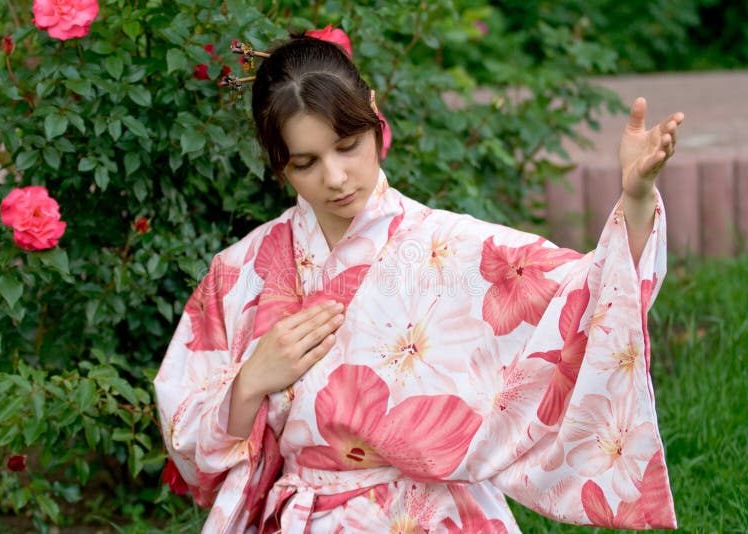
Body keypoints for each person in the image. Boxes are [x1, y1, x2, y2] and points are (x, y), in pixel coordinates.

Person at [154, 34, 684, 533]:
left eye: (347, 145)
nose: (335, 177)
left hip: (435, 511)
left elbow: (592, 295)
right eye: (306, 162)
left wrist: (635, 199)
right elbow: (188, 437)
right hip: (307, 515)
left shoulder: (446, 245)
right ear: (278, 165)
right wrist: (250, 381)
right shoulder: (239, 274)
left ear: (374, 115)